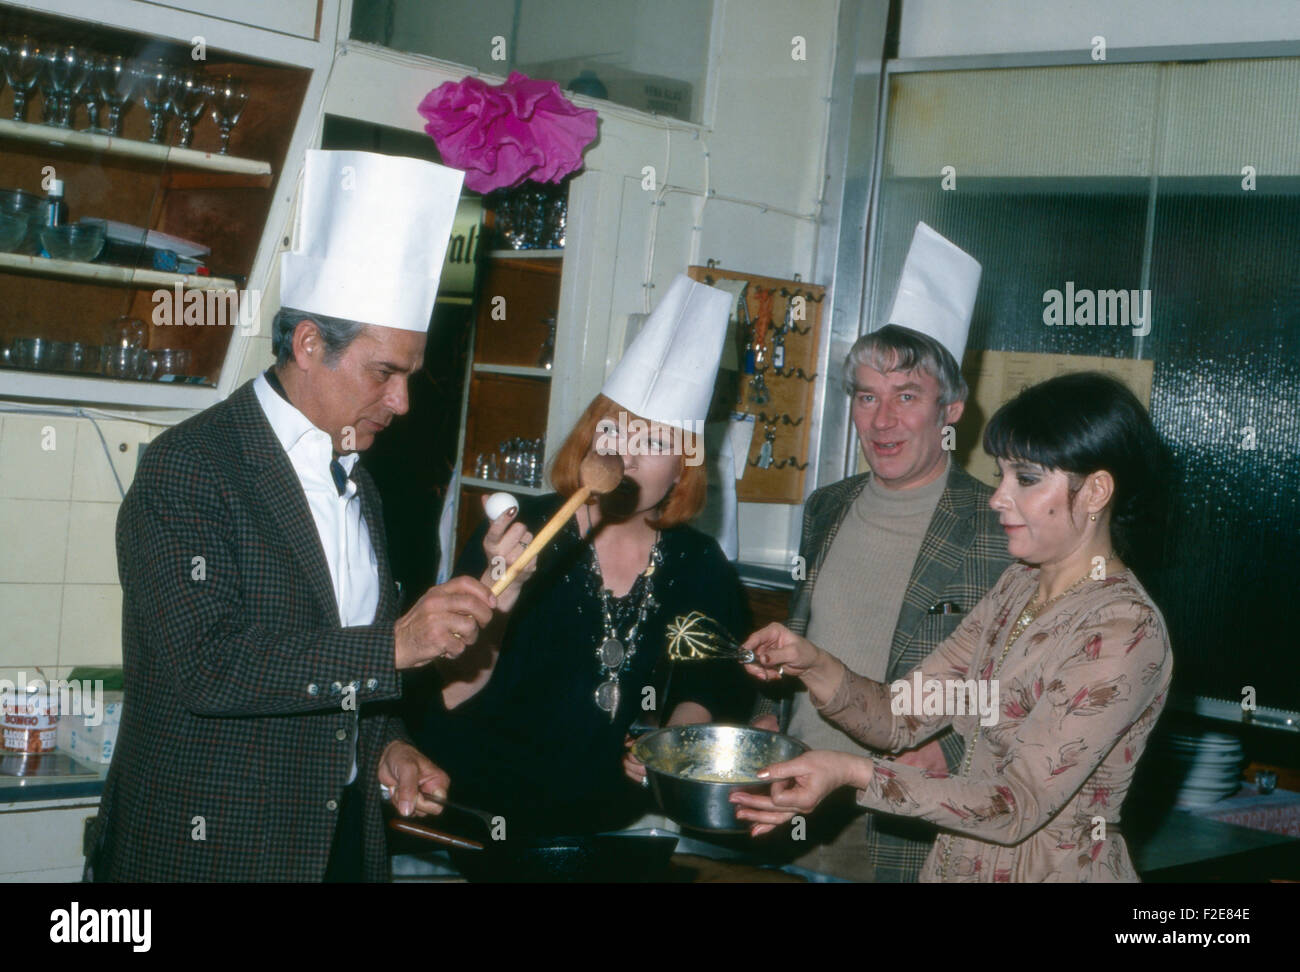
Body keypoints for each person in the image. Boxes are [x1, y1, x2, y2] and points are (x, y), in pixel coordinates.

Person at [91, 151, 499, 882]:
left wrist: (385, 748)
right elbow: (208, 667)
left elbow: (333, 672)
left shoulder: (360, 481)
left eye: (411, 374)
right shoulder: (191, 468)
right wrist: (396, 646)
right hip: (212, 855)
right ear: (309, 344)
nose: (403, 403)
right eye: (386, 372)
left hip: (338, 850)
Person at [734, 372, 1173, 883]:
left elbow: (1015, 805)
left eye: (1025, 479)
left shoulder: (1122, 628)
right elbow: (899, 716)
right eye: (1001, 474)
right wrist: (811, 663)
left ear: (1096, 490)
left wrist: (851, 772)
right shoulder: (1018, 586)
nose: (997, 497)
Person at [406, 275, 754, 836]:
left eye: (657, 442)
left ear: (683, 468)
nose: (630, 455)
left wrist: (672, 741)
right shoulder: (522, 530)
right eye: (615, 432)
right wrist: (499, 588)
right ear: (591, 440)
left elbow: (711, 683)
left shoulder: (698, 561)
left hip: (619, 820)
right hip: (486, 811)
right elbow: (450, 688)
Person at [759, 223, 1014, 881]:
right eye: (867, 397)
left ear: (951, 409)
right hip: (796, 802)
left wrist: (952, 751)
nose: (882, 421)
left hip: (901, 821)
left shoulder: (997, 526)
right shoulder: (828, 506)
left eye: (907, 397)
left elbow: (1022, 685)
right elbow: (810, 631)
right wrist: (768, 711)